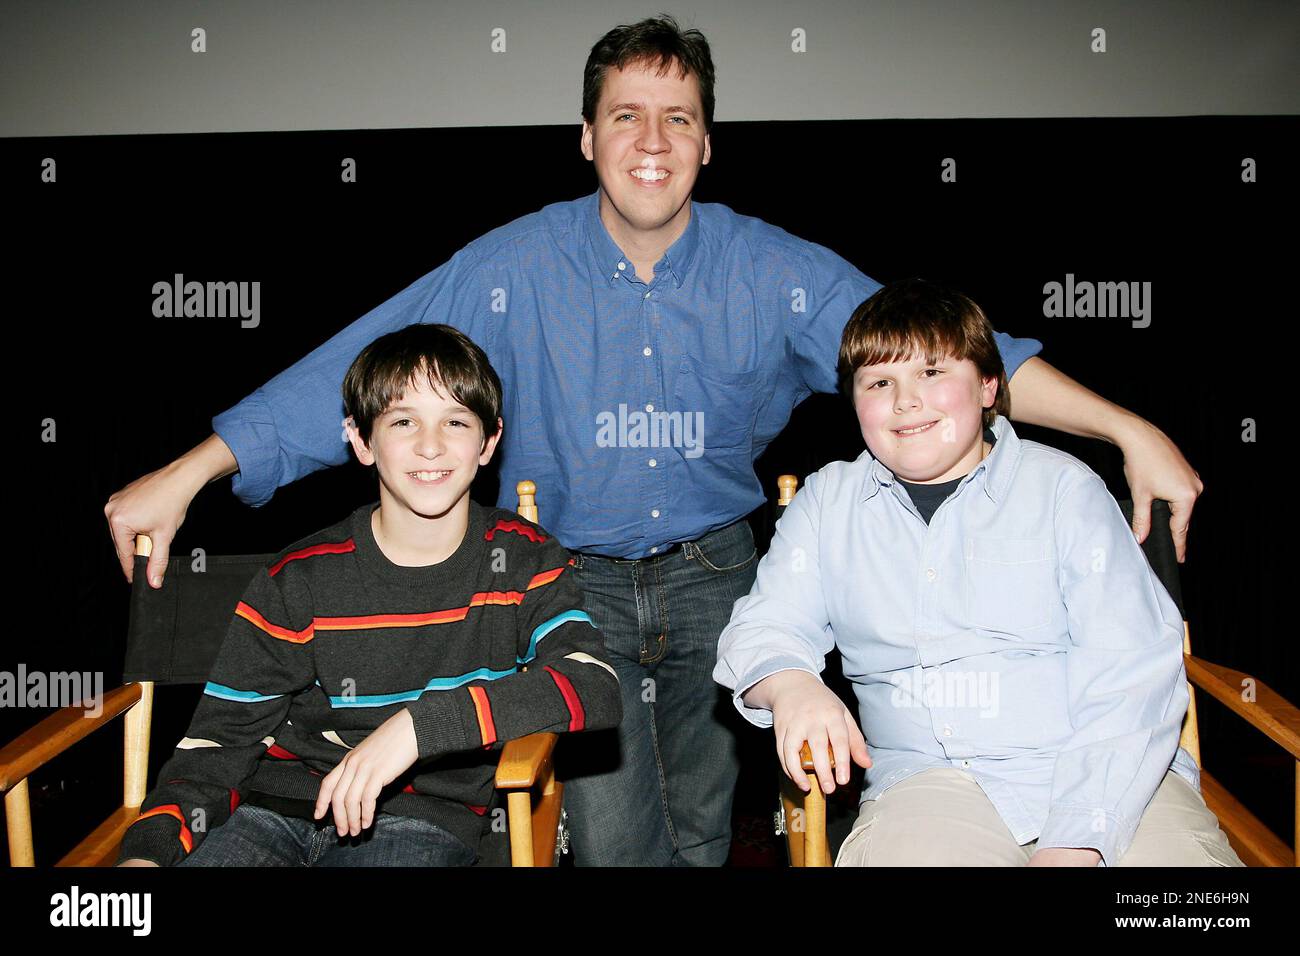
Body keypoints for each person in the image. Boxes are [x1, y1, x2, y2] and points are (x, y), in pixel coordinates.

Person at [105, 16, 1203, 866]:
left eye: (677, 117)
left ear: (707, 143)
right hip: (567, 583)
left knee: (707, 831)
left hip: (717, 575)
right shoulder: (511, 264)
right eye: (625, 115)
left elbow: (950, 352)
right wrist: (192, 468)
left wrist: (1129, 427)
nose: (651, 139)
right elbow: (363, 362)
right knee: (619, 840)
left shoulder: (772, 269)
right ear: (586, 137)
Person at [714, 279, 1241, 866]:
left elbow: (1134, 671)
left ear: (988, 385)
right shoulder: (826, 503)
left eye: (933, 373)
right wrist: (790, 684)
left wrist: (1079, 839)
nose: (906, 401)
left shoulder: (1066, 489)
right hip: (929, 787)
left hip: (1113, 774)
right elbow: (763, 628)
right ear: (853, 398)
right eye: (879, 382)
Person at [116, 324, 621, 866]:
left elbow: (594, 685)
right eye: (403, 421)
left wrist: (417, 729)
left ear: (488, 442)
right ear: (360, 440)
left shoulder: (523, 559)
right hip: (269, 811)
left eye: (455, 421)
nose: (431, 445)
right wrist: (149, 851)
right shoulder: (300, 577)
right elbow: (220, 744)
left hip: (421, 817)